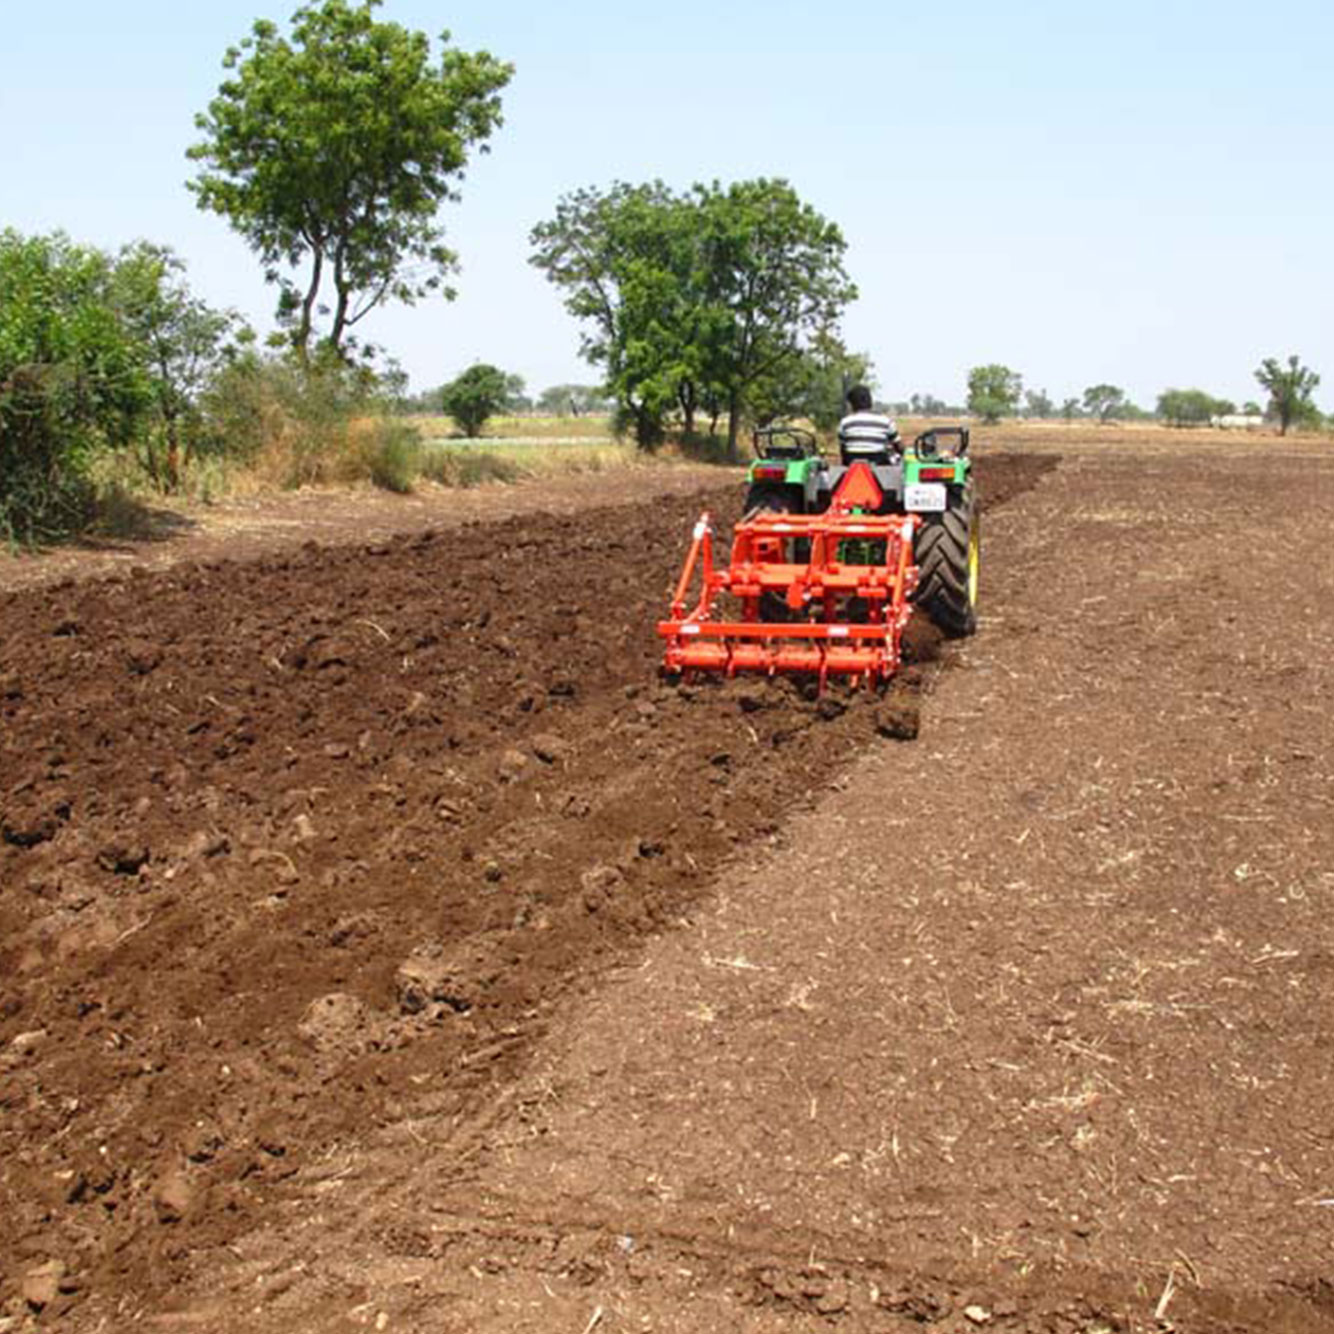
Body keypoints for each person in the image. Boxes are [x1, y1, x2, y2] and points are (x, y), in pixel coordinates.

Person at [837, 385, 900, 462]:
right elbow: (898, 445)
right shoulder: (885, 421)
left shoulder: (845, 422)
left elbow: (843, 448)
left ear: (852, 404)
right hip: (879, 465)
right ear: (870, 401)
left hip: (852, 465)